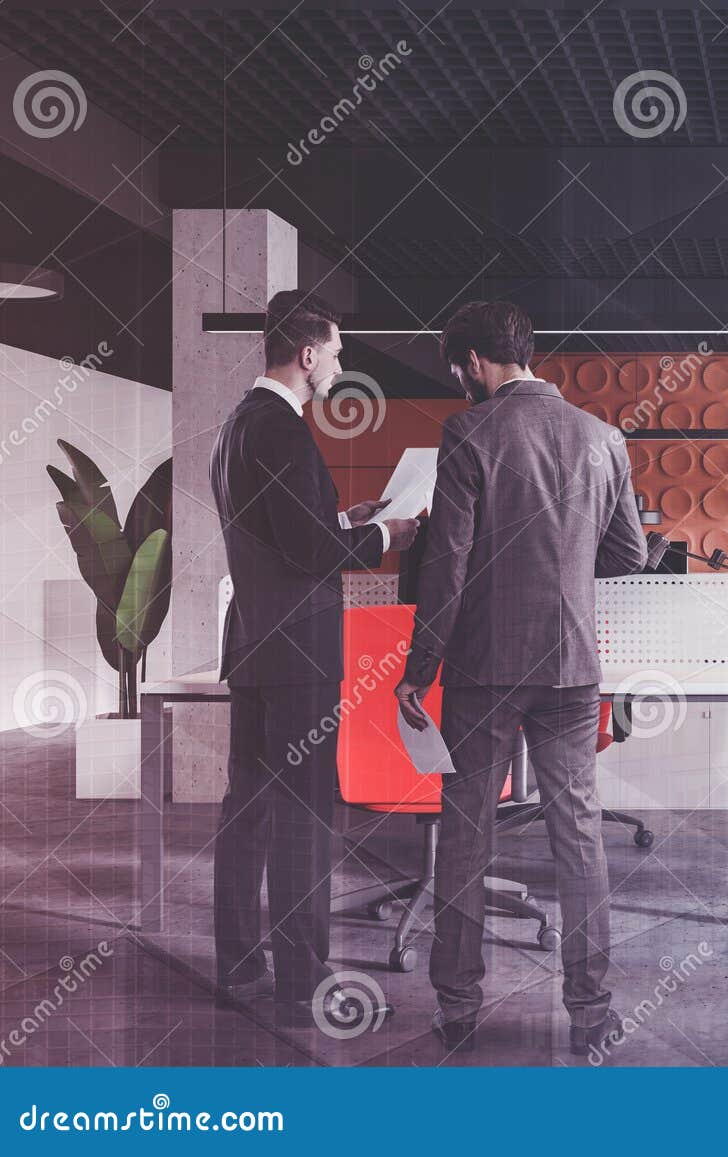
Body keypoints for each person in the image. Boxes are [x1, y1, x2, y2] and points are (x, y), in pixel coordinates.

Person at [392, 300, 647, 1056]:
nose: (459, 382)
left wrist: (418, 670)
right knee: (579, 836)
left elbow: (448, 567)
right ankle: (592, 1010)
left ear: (473, 361)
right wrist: (562, 565)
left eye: (457, 369)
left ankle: (459, 1006)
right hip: (572, 667)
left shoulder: (469, 432)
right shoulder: (603, 437)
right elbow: (631, 553)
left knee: (467, 836)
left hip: (484, 667)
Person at [211, 289, 419, 1028]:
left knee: (250, 810)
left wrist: (345, 516)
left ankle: (238, 963)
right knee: (303, 813)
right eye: (335, 350)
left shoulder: (238, 425)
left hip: (254, 643)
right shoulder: (286, 430)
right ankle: (304, 978)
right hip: (299, 646)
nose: (339, 361)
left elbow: (284, 530)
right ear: (307, 354)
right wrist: (385, 536)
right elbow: (309, 554)